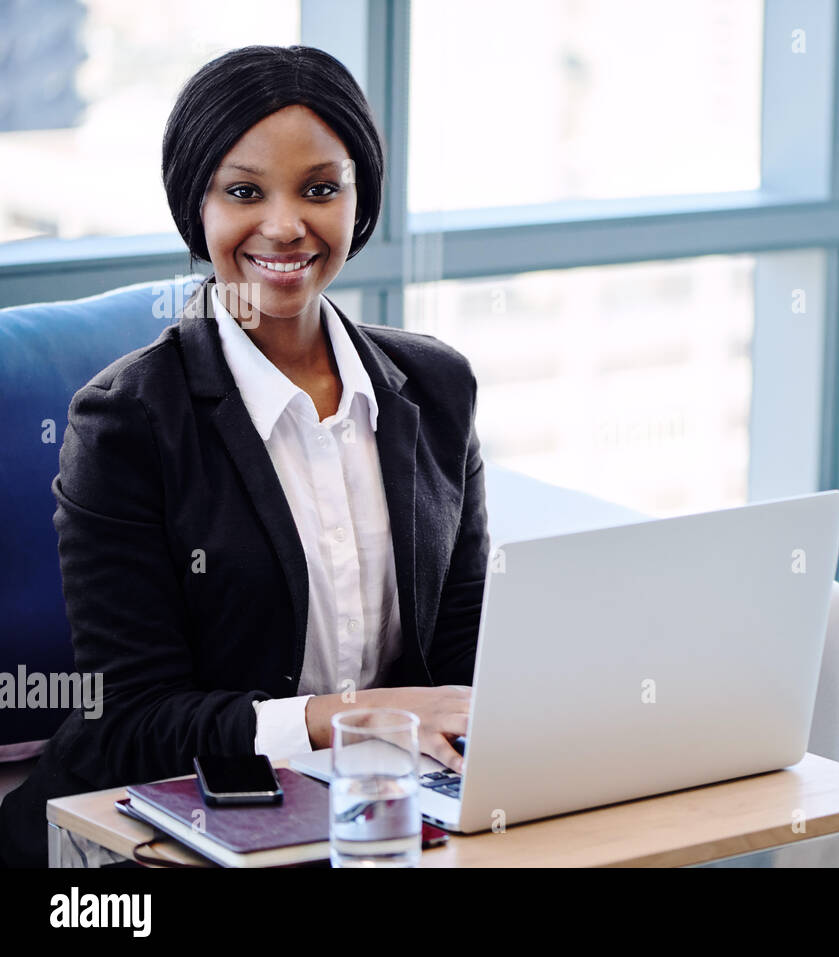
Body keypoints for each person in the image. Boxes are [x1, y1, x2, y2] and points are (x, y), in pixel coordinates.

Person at [0, 45, 488, 867]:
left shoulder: (435, 387)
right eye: (245, 191)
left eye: (321, 189)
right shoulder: (125, 423)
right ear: (198, 207)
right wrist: (356, 715)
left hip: (374, 805)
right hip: (148, 820)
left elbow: (469, 655)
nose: (286, 224)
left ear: (359, 201)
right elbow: (135, 721)